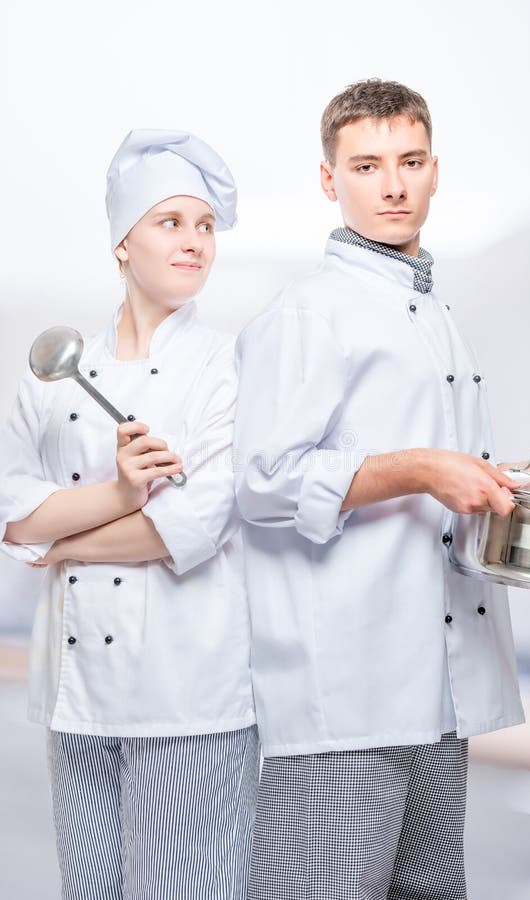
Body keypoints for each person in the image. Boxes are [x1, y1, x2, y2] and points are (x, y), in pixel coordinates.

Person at [234, 80, 526, 899]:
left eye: (409, 161)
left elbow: (456, 477)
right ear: (329, 180)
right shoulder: (309, 311)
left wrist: (524, 479)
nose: (392, 185)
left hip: (439, 679)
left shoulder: (432, 312)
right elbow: (261, 482)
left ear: (436, 170)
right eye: (366, 165)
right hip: (345, 684)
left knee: (427, 891)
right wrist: (413, 469)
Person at [0, 130, 258, 900]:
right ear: (121, 240)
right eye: (170, 222)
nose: (193, 243)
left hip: (191, 694)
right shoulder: (56, 369)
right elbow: (12, 517)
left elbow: (192, 526)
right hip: (75, 697)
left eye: (205, 226)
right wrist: (116, 494)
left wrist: (61, 538)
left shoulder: (228, 366)